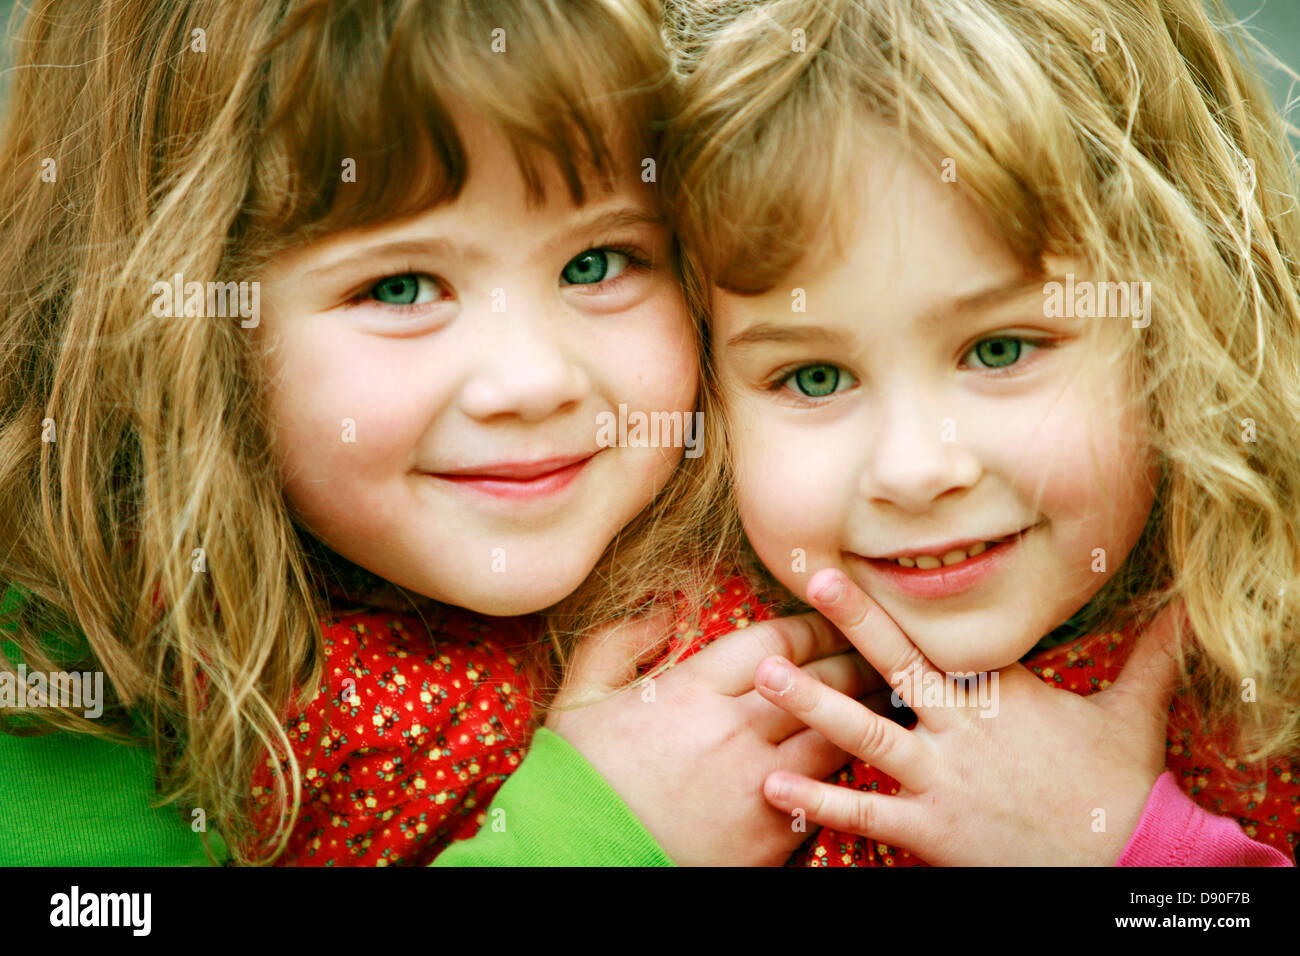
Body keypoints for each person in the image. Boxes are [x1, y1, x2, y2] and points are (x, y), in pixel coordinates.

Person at [0, 0, 865, 866]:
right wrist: (590, 831)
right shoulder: (74, 678)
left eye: (596, 263)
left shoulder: (796, 536)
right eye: (403, 287)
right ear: (190, 319)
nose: (532, 381)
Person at [657, 0, 1300, 865]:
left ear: (1181, 322)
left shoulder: (1267, 683)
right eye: (814, 378)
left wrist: (1125, 852)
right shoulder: (654, 692)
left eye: (999, 350)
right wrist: (591, 832)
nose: (915, 470)